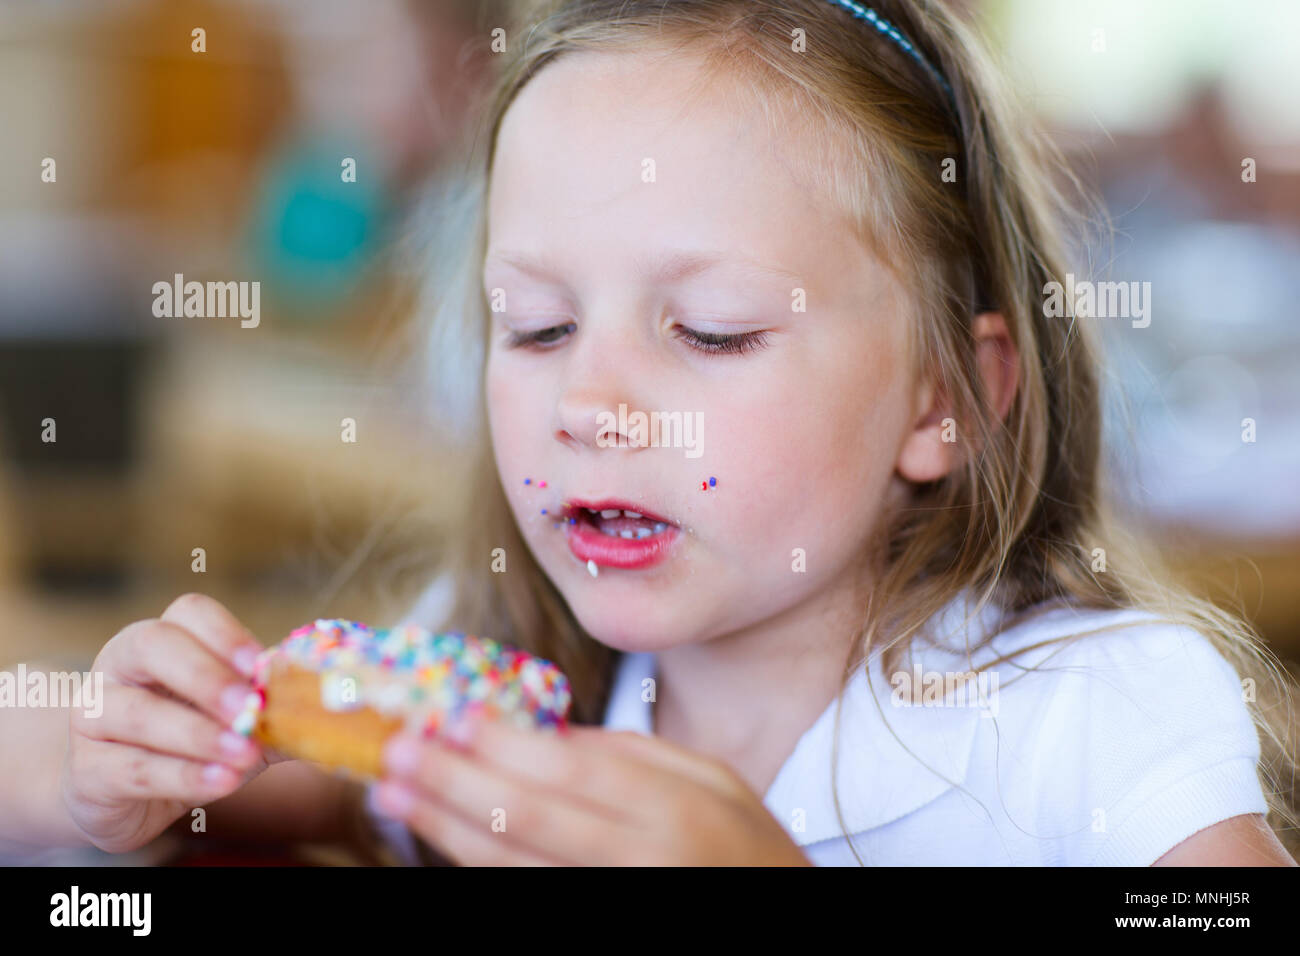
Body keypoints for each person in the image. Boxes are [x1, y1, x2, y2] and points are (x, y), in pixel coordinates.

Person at [3, 0, 1295, 865]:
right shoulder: (508, 653)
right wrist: (148, 778)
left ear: (946, 397)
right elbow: (283, 787)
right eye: (536, 328)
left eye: (714, 331)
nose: (588, 407)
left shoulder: (1100, 716)